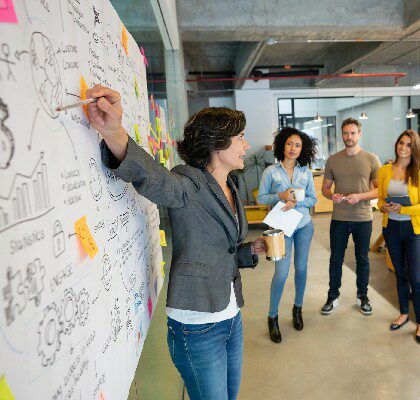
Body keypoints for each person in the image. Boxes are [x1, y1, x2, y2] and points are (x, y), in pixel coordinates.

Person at [86, 84, 266, 400]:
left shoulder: (229, 187)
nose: (246, 145)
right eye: (239, 138)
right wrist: (115, 134)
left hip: (230, 314)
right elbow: (152, 178)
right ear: (217, 143)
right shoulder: (186, 185)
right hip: (197, 327)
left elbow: (220, 250)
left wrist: (250, 249)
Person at [257, 127, 318, 343]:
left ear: (303, 150)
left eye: (298, 145)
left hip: (303, 226)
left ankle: (297, 308)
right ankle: (272, 317)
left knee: (301, 269)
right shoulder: (270, 172)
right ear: (283, 145)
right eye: (290, 143)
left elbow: (313, 199)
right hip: (281, 229)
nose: (293, 148)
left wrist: (298, 201)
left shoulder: (306, 173)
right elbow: (261, 199)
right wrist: (280, 196)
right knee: (281, 274)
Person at [321, 117, 381, 315]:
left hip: (363, 218)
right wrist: (332, 196)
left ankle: (362, 296)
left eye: (352, 133)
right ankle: (332, 296)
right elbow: (325, 188)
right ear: (342, 135)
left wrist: (360, 196)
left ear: (359, 134)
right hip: (339, 218)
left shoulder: (371, 159)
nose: (349, 137)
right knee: (335, 259)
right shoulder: (333, 160)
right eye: (345, 133)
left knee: (362, 259)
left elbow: (380, 191)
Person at [377, 130, 420, 344]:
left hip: (413, 231)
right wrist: (383, 207)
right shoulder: (384, 171)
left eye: (408, 145)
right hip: (391, 228)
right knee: (399, 274)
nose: (403, 147)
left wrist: (403, 210)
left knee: (416, 280)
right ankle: (403, 312)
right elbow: (381, 198)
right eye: (401, 143)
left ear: (414, 148)